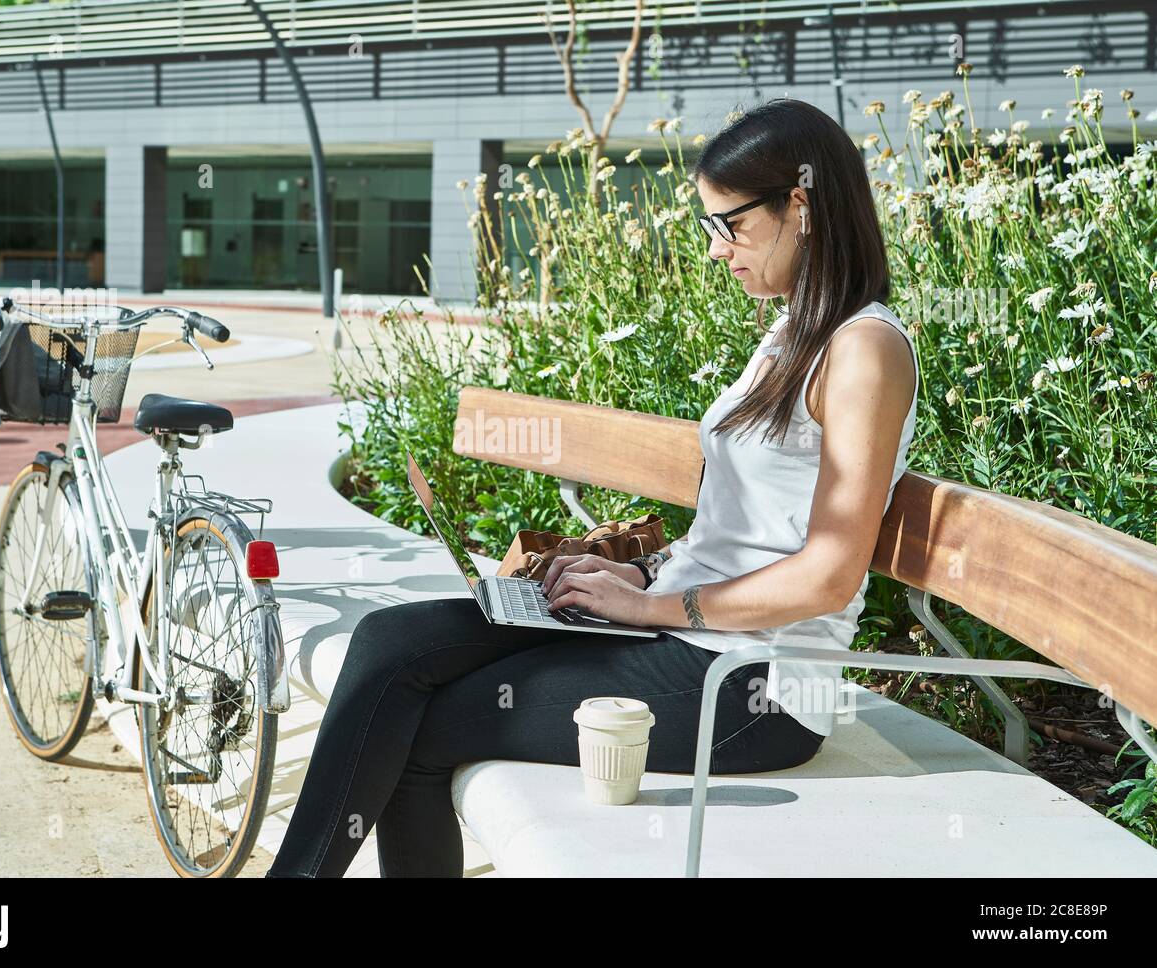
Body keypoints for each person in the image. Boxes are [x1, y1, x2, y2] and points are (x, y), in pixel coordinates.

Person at [266, 97, 919, 878]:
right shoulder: (791, 333)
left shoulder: (864, 352)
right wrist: (635, 573)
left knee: (425, 726)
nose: (716, 250)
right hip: (682, 630)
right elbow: (747, 527)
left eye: (730, 225)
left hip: (755, 691)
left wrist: (650, 605)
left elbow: (830, 572)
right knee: (387, 643)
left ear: (801, 206)